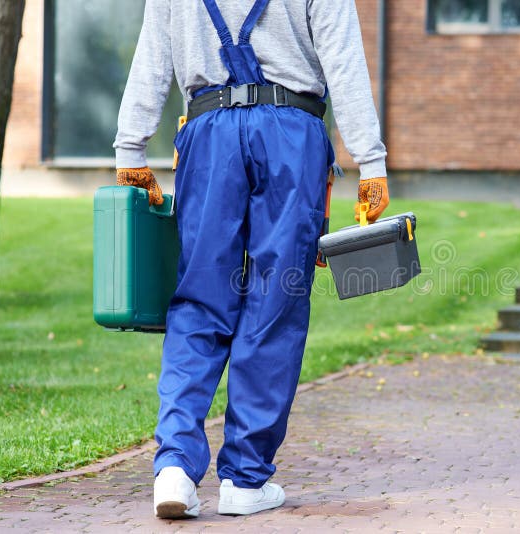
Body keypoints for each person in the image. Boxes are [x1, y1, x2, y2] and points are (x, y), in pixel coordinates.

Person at [113, 0, 389, 519]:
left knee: (198, 301)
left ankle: (174, 466)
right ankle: (244, 477)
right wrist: (370, 161)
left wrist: (132, 148)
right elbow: (342, 58)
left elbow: (153, 51)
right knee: (275, 304)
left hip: (208, 130)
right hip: (291, 134)